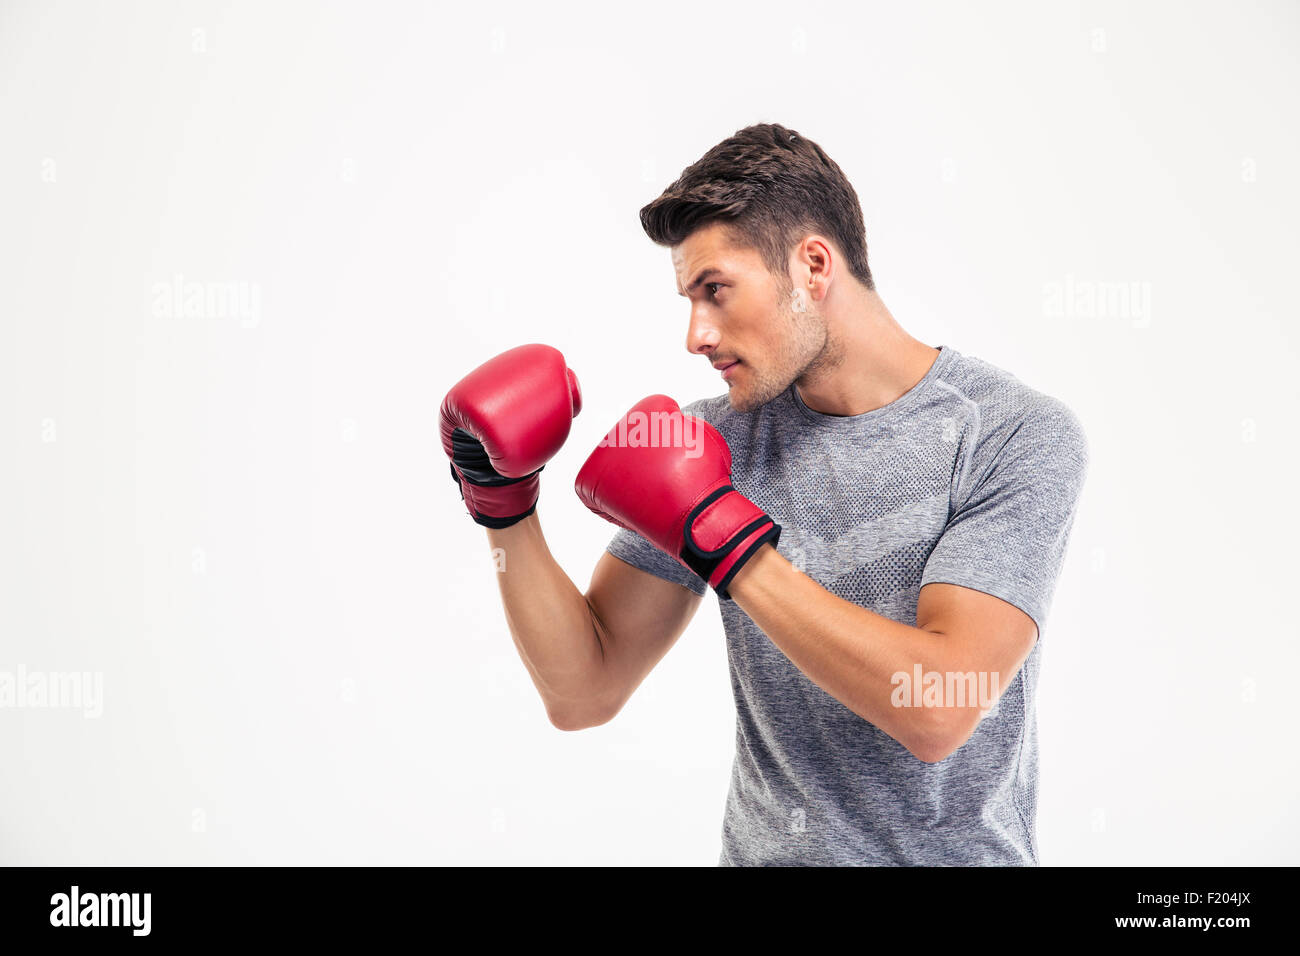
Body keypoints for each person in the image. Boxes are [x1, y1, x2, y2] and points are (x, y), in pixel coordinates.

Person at [441, 122, 1089, 866]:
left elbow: (938, 705)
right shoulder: (716, 442)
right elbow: (584, 690)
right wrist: (504, 503)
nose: (695, 334)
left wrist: (717, 533)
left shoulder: (1011, 434)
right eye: (688, 299)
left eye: (716, 290)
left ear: (813, 265)